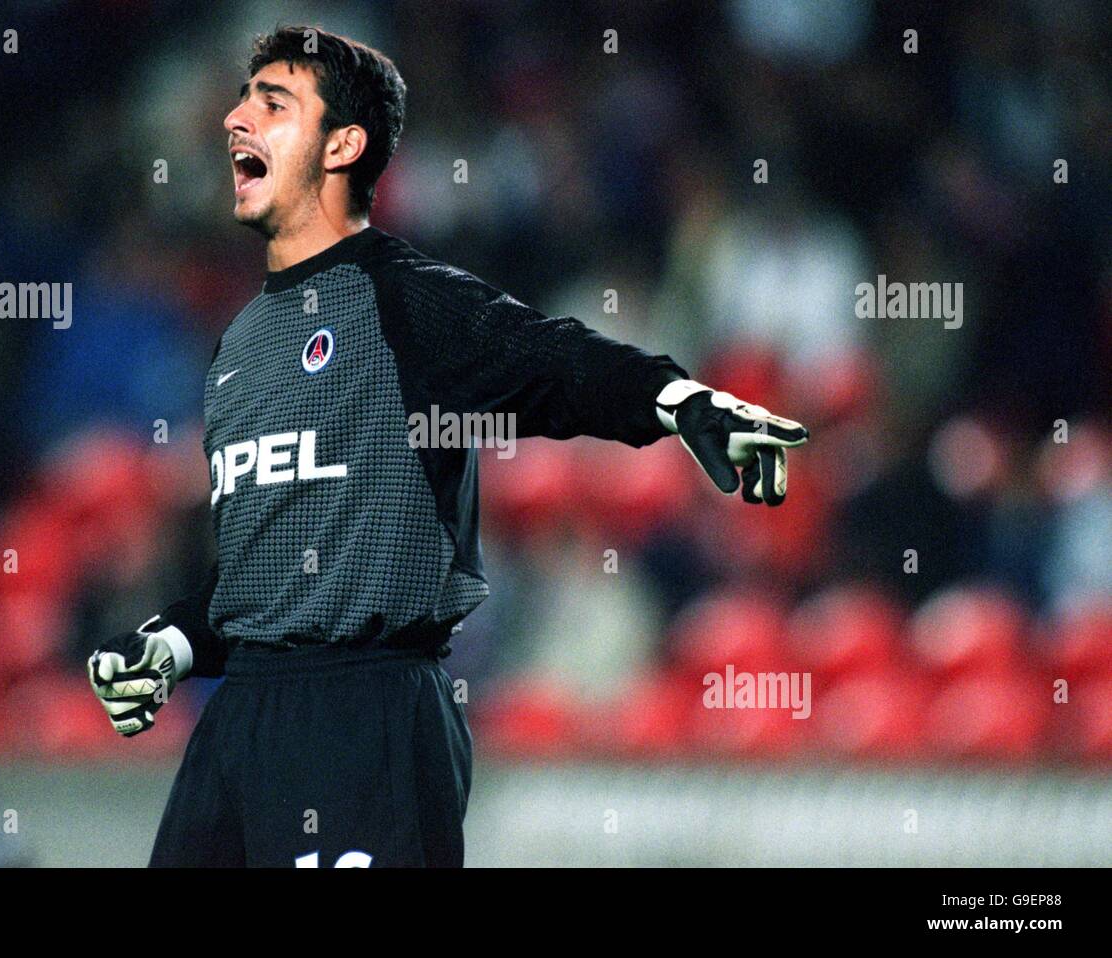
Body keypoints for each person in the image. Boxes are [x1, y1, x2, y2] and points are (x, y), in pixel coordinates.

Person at [87, 25, 808, 867]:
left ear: (342, 146)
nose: (235, 119)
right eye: (244, 99)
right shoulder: (237, 348)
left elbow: (553, 359)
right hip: (238, 723)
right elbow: (265, 572)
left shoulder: (403, 302)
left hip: (369, 717)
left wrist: (678, 401)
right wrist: (171, 646)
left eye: (273, 104)